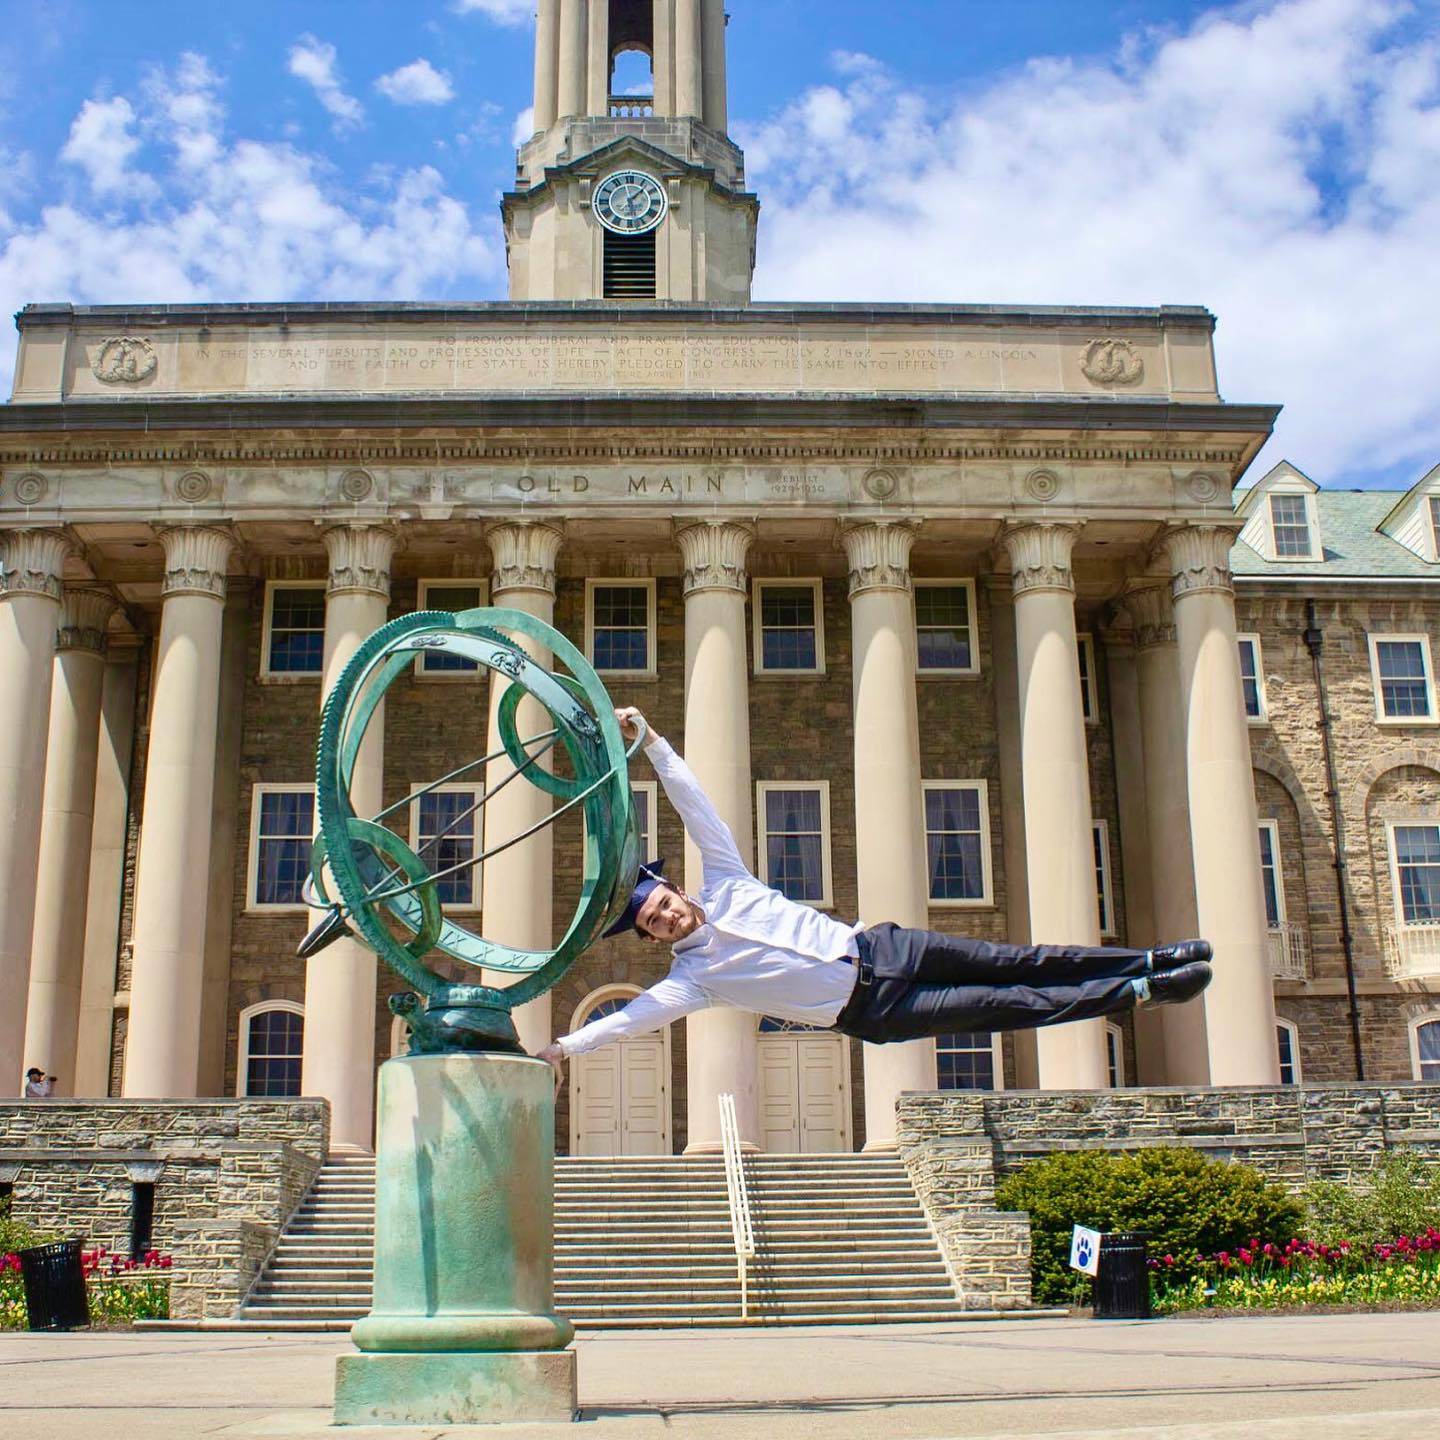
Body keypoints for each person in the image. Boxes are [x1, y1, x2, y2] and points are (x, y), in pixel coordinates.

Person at [536, 708, 1212, 1081]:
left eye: (663, 902)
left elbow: (696, 806)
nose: (667, 916)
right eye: (656, 922)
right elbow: (629, 1021)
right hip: (874, 1008)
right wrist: (562, 1051)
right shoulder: (696, 981)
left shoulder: (728, 880)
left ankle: (1146, 960)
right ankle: (1142, 993)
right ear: (654, 938)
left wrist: (652, 742)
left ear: (676, 888)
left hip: (884, 946)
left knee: (1021, 961)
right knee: (1007, 1006)